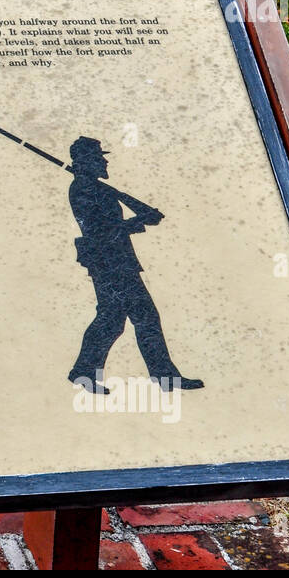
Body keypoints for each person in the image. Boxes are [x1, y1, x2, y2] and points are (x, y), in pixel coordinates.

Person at [65, 137, 203, 394]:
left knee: (113, 319)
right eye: (98, 157)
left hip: (116, 261)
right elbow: (99, 232)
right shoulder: (83, 190)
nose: (104, 161)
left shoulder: (99, 189)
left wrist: (141, 217)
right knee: (139, 317)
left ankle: (84, 372)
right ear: (86, 161)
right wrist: (137, 222)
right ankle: (162, 377)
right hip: (109, 263)